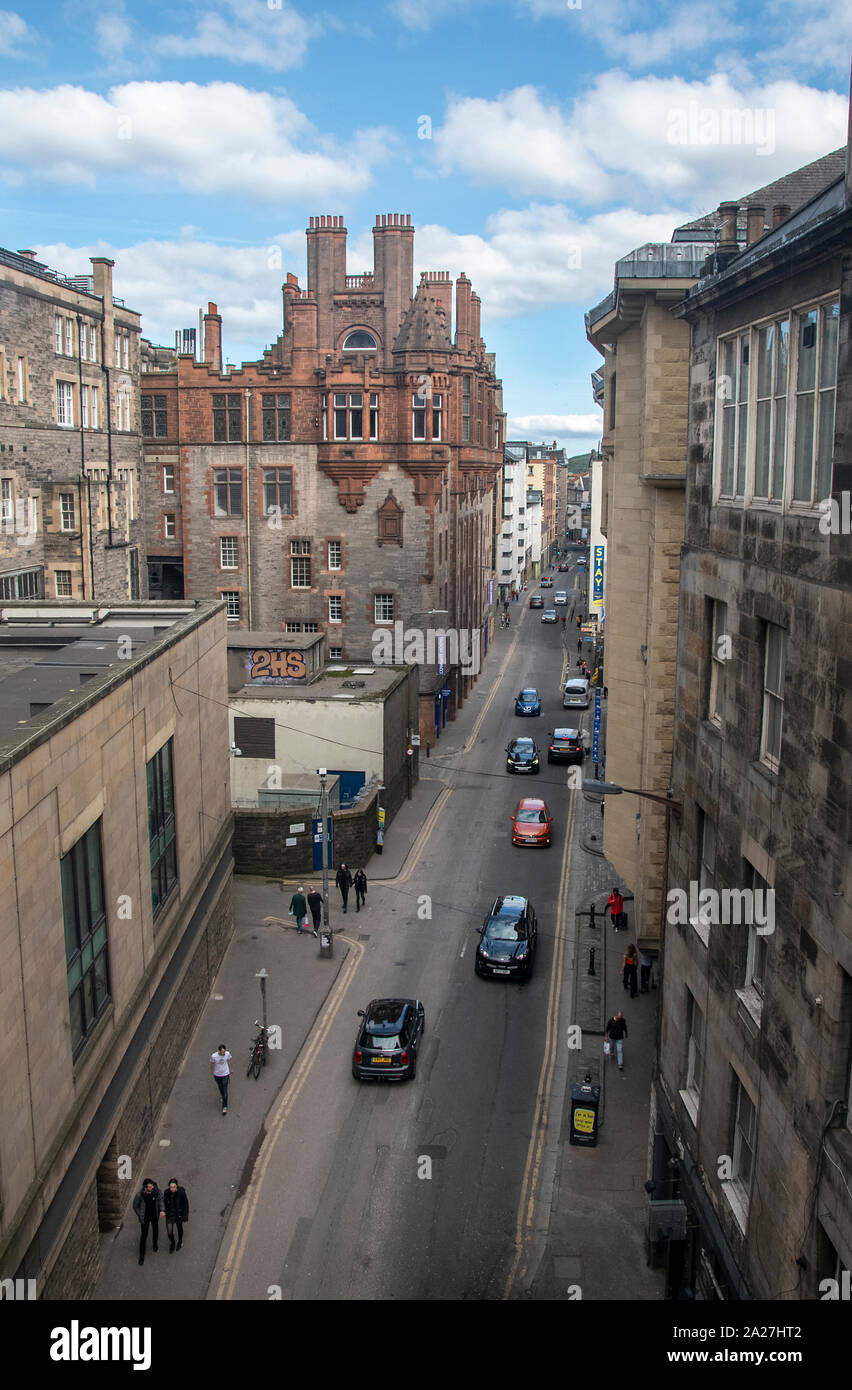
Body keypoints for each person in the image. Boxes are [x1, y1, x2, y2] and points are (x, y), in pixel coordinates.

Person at [133, 1178, 162, 1265]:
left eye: (152, 1186)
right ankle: (142, 1255)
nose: (152, 1187)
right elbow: (135, 1206)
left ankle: (155, 1244)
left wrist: (162, 1210)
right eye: (150, 1186)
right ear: (145, 1187)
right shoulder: (139, 1195)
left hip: (154, 1215)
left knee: (155, 1230)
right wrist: (140, 1214)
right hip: (145, 1218)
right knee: (144, 1235)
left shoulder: (156, 1191)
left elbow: (161, 1200)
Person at [162, 1178, 189, 1253]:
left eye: (174, 1187)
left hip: (178, 1215)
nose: (172, 1189)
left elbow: (185, 1204)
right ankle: (173, 1243)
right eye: (170, 1187)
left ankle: (180, 1242)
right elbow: (164, 1203)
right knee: (169, 1232)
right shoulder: (166, 1192)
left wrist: (185, 1216)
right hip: (170, 1215)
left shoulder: (181, 1193)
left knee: (179, 1228)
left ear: (177, 1186)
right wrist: (163, 1211)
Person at [211, 1043, 232, 1113]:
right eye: (222, 1052)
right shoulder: (214, 1056)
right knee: (220, 1088)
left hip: (225, 1074)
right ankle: (223, 1097)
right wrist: (213, 1072)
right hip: (217, 1075)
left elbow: (229, 1060)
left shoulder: (227, 1054)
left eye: (224, 1051)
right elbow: (212, 1064)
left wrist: (230, 1069)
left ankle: (224, 1107)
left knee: (225, 1090)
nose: (224, 1053)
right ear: (219, 1051)